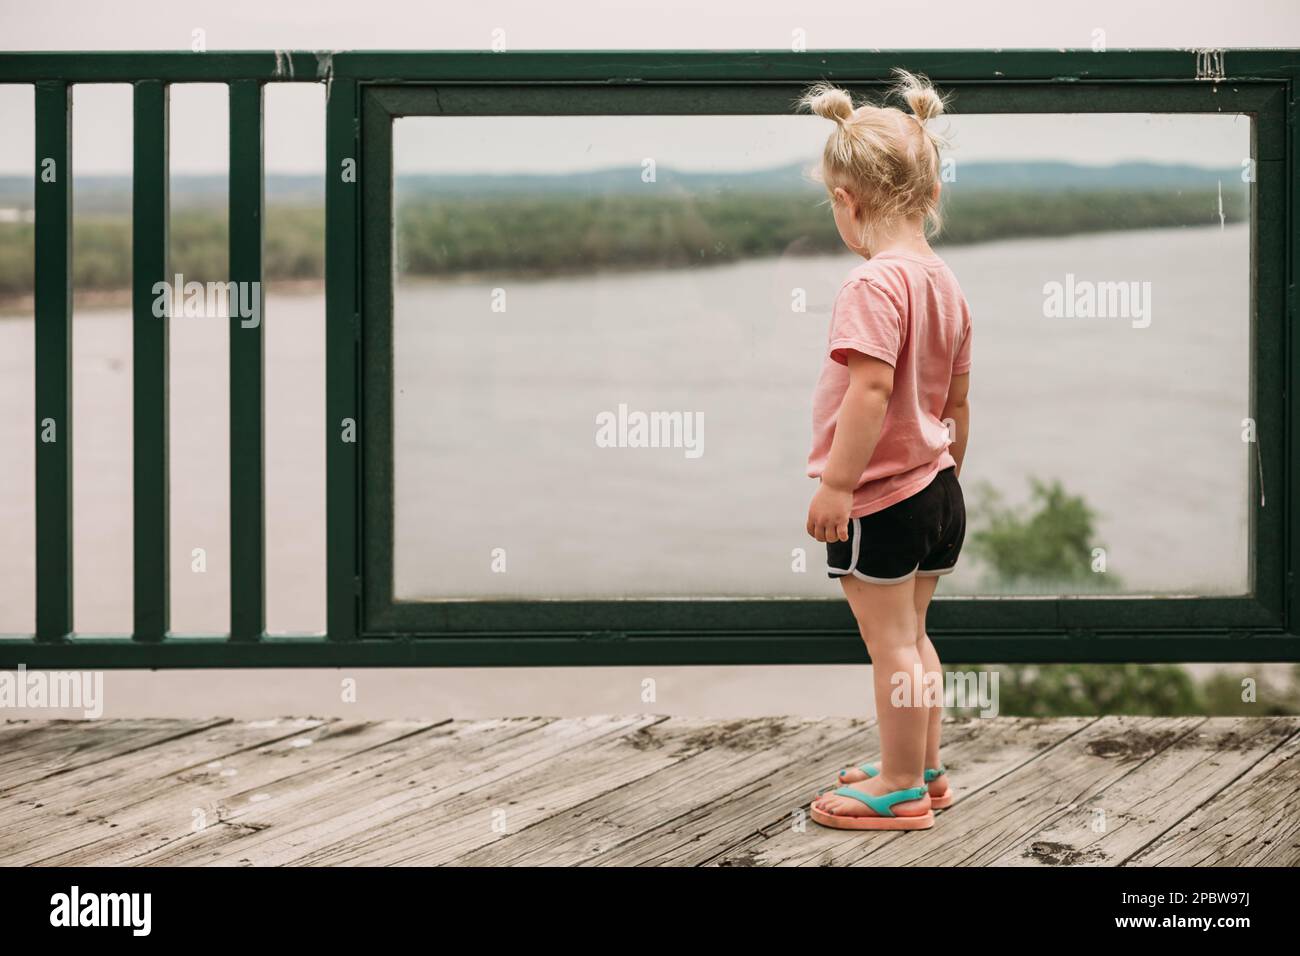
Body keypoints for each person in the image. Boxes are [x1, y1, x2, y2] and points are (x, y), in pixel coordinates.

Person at [802, 71, 973, 831]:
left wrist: (838, 486)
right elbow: (956, 402)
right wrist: (946, 473)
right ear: (928, 193)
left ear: (849, 202)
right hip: (939, 488)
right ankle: (924, 766)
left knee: (891, 648)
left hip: (883, 498)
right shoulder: (945, 281)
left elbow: (869, 395)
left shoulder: (873, 284)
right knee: (916, 637)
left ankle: (900, 786)